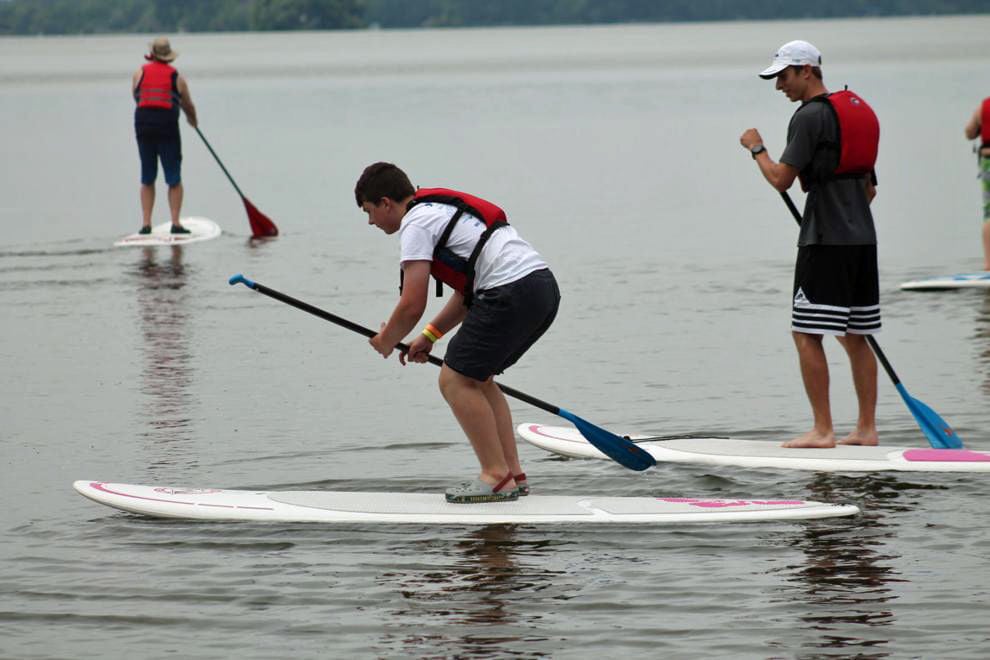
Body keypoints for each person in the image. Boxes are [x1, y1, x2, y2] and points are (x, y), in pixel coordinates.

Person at [354, 162, 560, 503]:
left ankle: (495, 477)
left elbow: (412, 304)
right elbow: (467, 297)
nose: (371, 222)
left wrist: (387, 339)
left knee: (454, 380)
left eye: (370, 211)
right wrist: (429, 337)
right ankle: (512, 475)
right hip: (541, 288)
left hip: (510, 290)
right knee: (478, 379)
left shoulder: (415, 224)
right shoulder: (434, 211)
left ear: (387, 202)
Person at [739, 40, 881, 448]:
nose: (778, 85)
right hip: (862, 239)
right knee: (856, 335)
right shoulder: (853, 111)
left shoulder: (810, 117)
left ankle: (823, 431)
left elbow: (781, 179)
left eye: (783, 76)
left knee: (806, 333)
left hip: (823, 240)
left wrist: (757, 149)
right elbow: (869, 190)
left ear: (806, 70)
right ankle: (866, 430)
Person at [132, 36, 198, 235]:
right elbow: (187, 104)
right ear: (168, 56)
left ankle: (146, 224)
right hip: (167, 127)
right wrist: (192, 120)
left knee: (147, 176)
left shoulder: (139, 73)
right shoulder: (177, 77)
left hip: (143, 125)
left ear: (152, 54)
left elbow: (136, 97)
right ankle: (176, 223)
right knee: (173, 177)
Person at [963, 99, 990, 271]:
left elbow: (969, 133)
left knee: (989, 213)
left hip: (988, 162)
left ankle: (988, 265)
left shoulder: (984, 106)